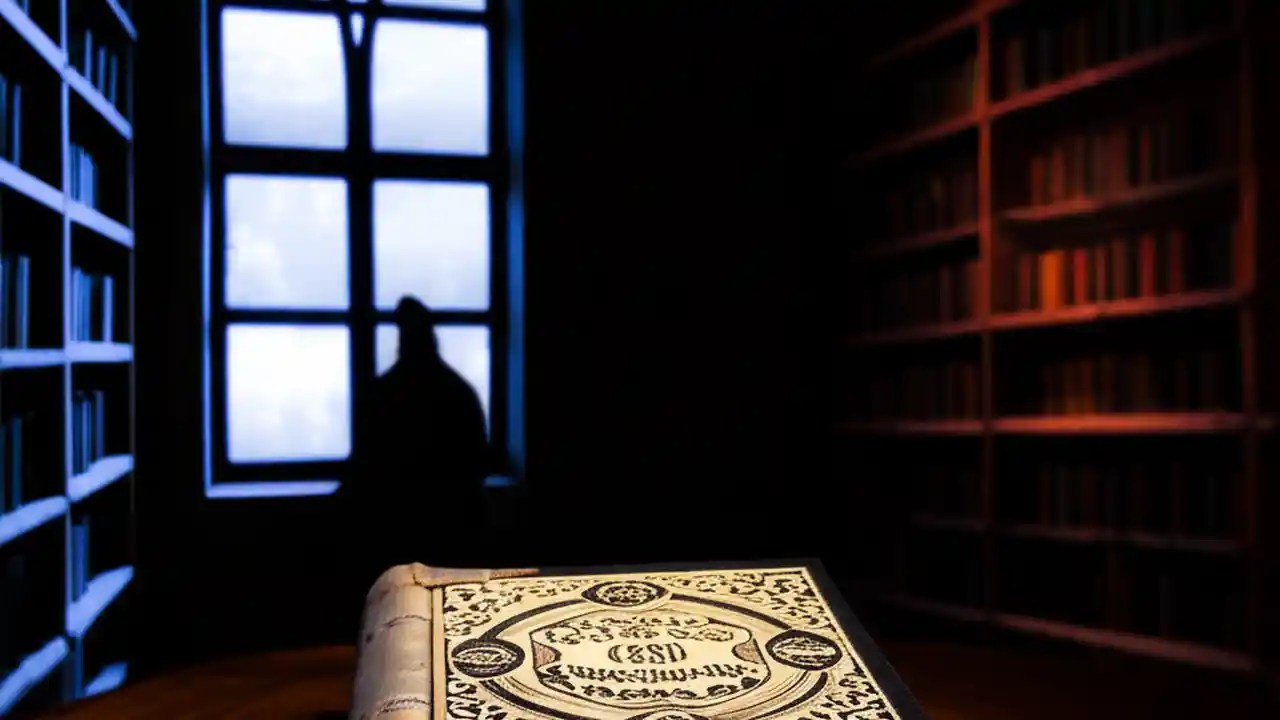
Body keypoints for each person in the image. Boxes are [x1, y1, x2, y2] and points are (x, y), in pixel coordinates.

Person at [345, 296, 492, 585]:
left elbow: (366, 463)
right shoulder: (458, 392)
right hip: (455, 524)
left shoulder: (384, 392)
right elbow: (477, 462)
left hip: (396, 526)